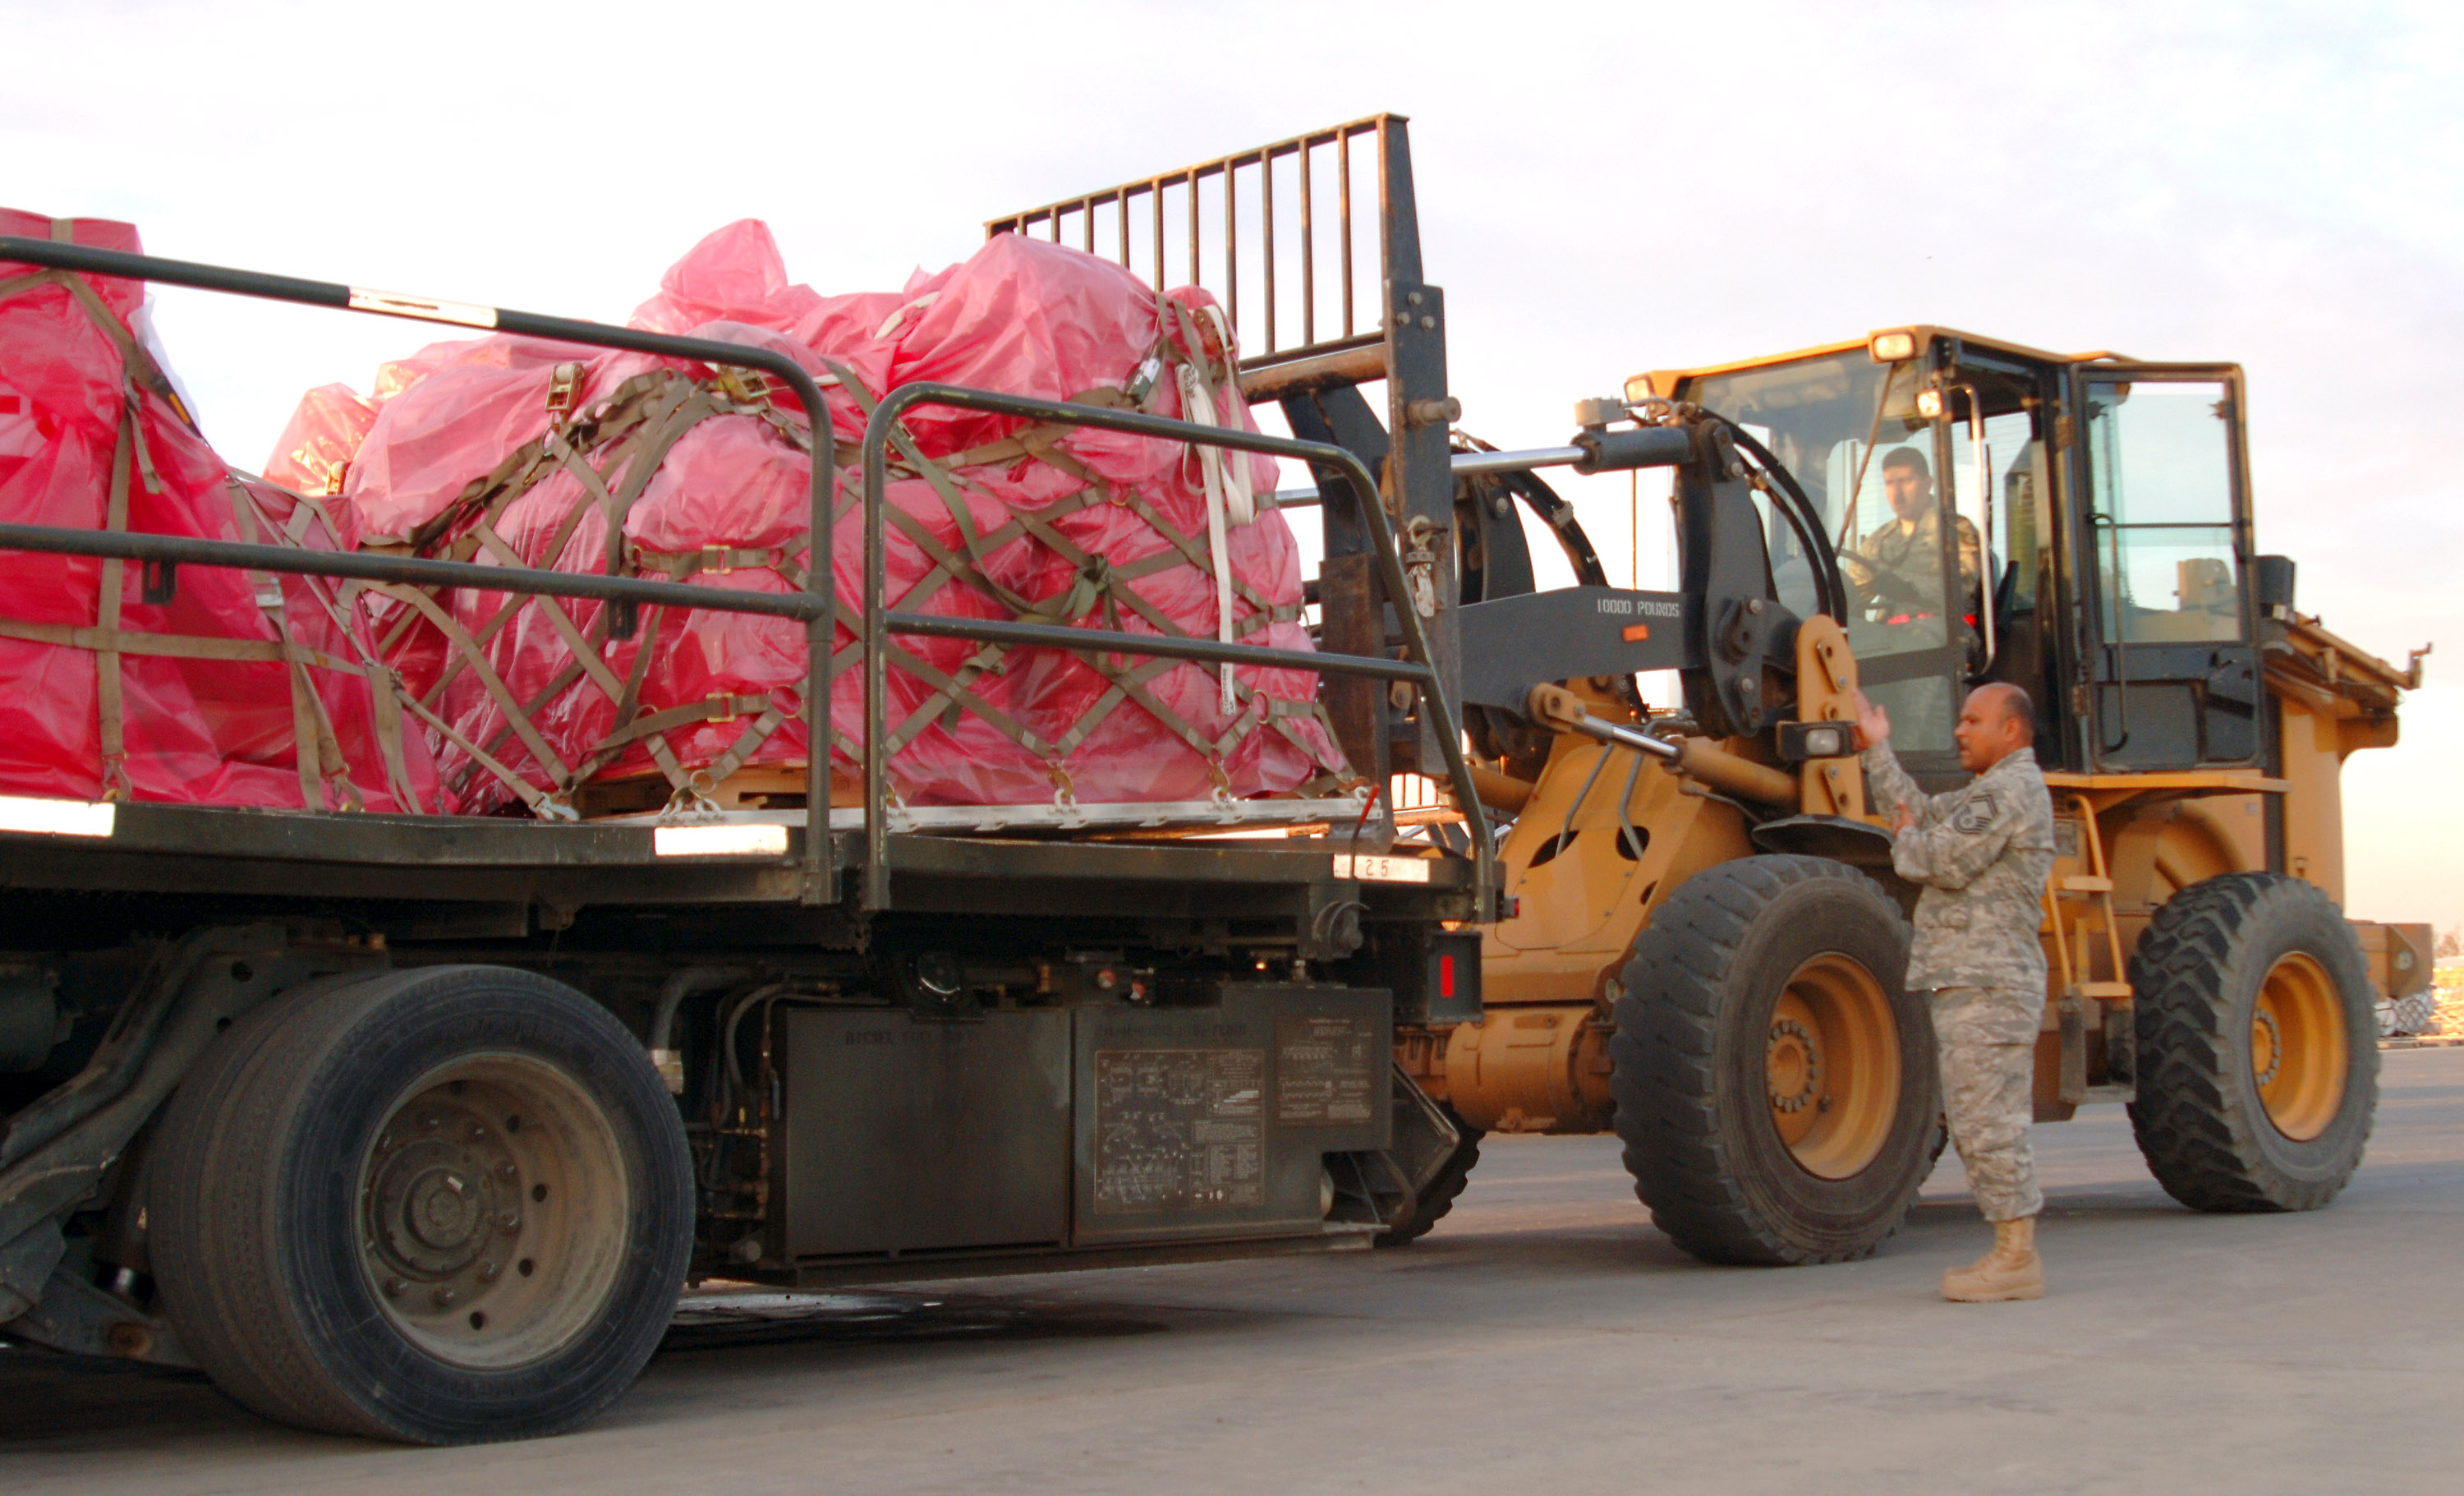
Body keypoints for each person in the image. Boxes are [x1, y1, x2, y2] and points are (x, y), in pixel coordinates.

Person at [1855, 679, 2057, 1301]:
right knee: (1977, 1119)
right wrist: (1877, 750)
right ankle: (2011, 1251)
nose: (1959, 730)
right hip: (1973, 980)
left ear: (2012, 731)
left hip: (1990, 983)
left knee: (1990, 1122)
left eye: (1973, 720)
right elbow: (1915, 811)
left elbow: (1933, 860)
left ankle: (2016, 1256)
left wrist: (1911, 836)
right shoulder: (1987, 793)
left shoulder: (2012, 791)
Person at [1840, 446, 1981, 622]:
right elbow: (1849, 595)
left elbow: (1966, 588)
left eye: (1906, 481)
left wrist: (1910, 590)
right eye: (1889, 483)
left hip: (1941, 634)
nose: (1896, 493)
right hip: (1890, 637)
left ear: (1928, 484)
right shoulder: (1878, 542)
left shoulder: (1954, 529)